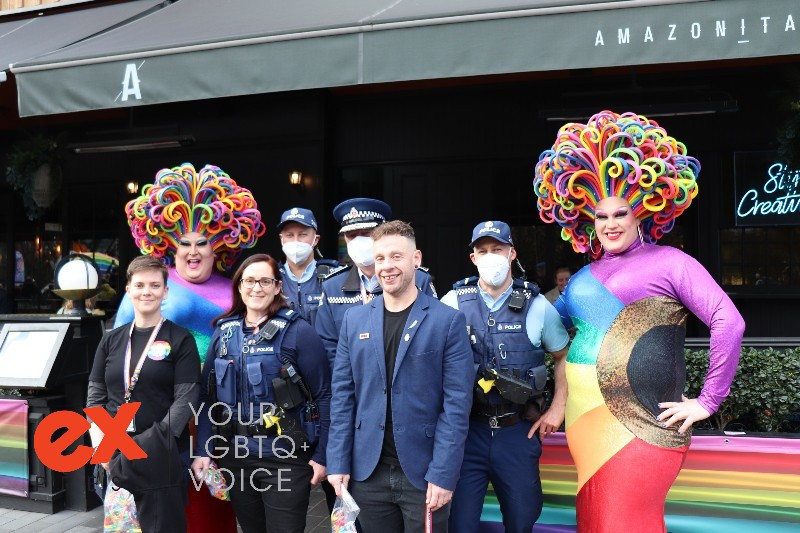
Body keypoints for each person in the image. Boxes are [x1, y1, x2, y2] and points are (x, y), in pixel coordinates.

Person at [533, 110, 745, 532]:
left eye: (620, 213)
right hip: (584, 424)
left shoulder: (670, 262)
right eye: (600, 216)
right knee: (596, 522)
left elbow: (728, 322)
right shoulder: (580, 279)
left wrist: (707, 402)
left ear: (641, 215)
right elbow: (541, 328)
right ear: (587, 222)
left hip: (644, 426)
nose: (610, 224)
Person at [115, 163, 264, 533]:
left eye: (202, 243)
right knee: (170, 504)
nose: (193, 251)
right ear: (170, 246)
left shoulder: (236, 286)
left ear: (220, 247)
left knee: (214, 503)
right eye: (184, 243)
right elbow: (119, 350)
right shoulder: (153, 288)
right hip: (164, 409)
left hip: (219, 408)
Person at [326, 220, 474, 533]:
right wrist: (337, 461)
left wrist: (443, 473)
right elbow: (342, 397)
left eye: (396, 257)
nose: (387, 267)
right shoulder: (354, 320)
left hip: (424, 474)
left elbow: (457, 406)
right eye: (380, 258)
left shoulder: (447, 321)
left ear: (416, 259)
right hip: (368, 472)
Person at [440, 221, 570, 533]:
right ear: (473, 258)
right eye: (482, 251)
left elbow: (563, 355)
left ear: (511, 253)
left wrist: (558, 408)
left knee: (522, 519)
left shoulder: (538, 305)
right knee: (459, 523)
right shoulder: (453, 302)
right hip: (468, 433)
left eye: (497, 249)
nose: (490, 257)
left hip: (517, 432)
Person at [190, 253, 331, 533]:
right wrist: (204, 449)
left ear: (278, 287)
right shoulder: (224, 333)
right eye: (250, 281)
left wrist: (324, 456)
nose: (257, 288)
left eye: (265, 281)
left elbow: (324, 395)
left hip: (287, 455)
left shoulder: (298, 332)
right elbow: (207, 397)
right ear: (239, 286)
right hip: (237, 455)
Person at [87, 256, 201, 532]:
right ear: (128, 289)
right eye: (139, 285)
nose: (146, 291)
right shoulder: (111, 339)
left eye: (154, 285)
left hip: (162, 455)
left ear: (165, 291)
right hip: (114, 457)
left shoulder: (180, 339)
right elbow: (96, 394)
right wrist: (104, 451)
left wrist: (145, 447)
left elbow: (186, 399)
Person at [315, 198, 438, 369]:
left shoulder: (418, 279)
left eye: (366, 234)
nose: (359, 241)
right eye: (352, 235)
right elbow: (328, 347)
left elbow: (432, 336)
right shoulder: (332, 286)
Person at [277, 207, 339, 326]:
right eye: (289, 235)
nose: (296, 241)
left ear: (315, 240)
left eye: (302, 234)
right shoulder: (271, 277)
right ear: (281, 239)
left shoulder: (334, 275)